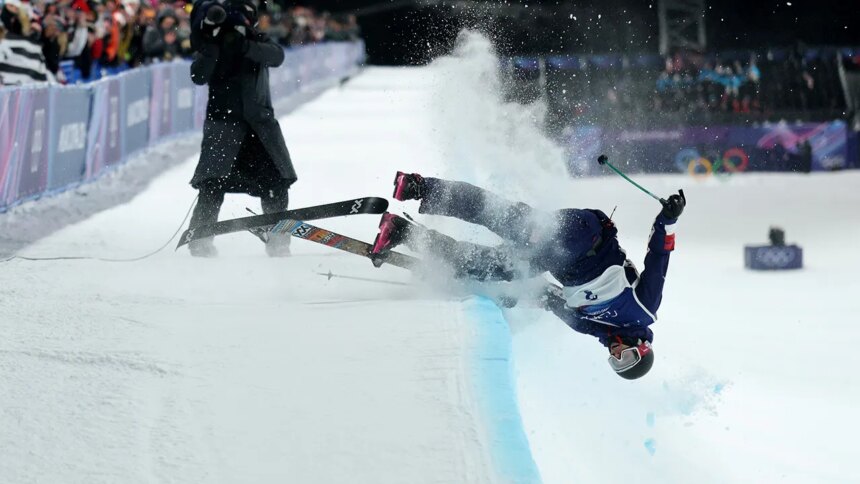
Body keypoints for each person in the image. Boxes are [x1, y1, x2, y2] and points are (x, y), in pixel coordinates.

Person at [371, 173, 686, 380]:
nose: (617, 354)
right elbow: (659, 257)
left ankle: (403, 233)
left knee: (488, 267)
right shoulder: (644, 309)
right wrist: (667, 220)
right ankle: (420, 187)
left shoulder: (589, 327)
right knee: (514, 223)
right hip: (585, 237)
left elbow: (546, 298)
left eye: (616, 362)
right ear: (641, 347)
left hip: (552, 259)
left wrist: (512, 296)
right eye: (626, 356)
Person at [186, 0, 296, 257]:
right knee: (212, 186)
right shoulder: (210, 42)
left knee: (276, 184)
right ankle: (200, 241)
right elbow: (198, 75)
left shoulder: (256, 40)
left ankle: (279, 241)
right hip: (223, 125)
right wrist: (215, 48)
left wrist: (245, 45)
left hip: (259, 128)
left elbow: (277, 56)